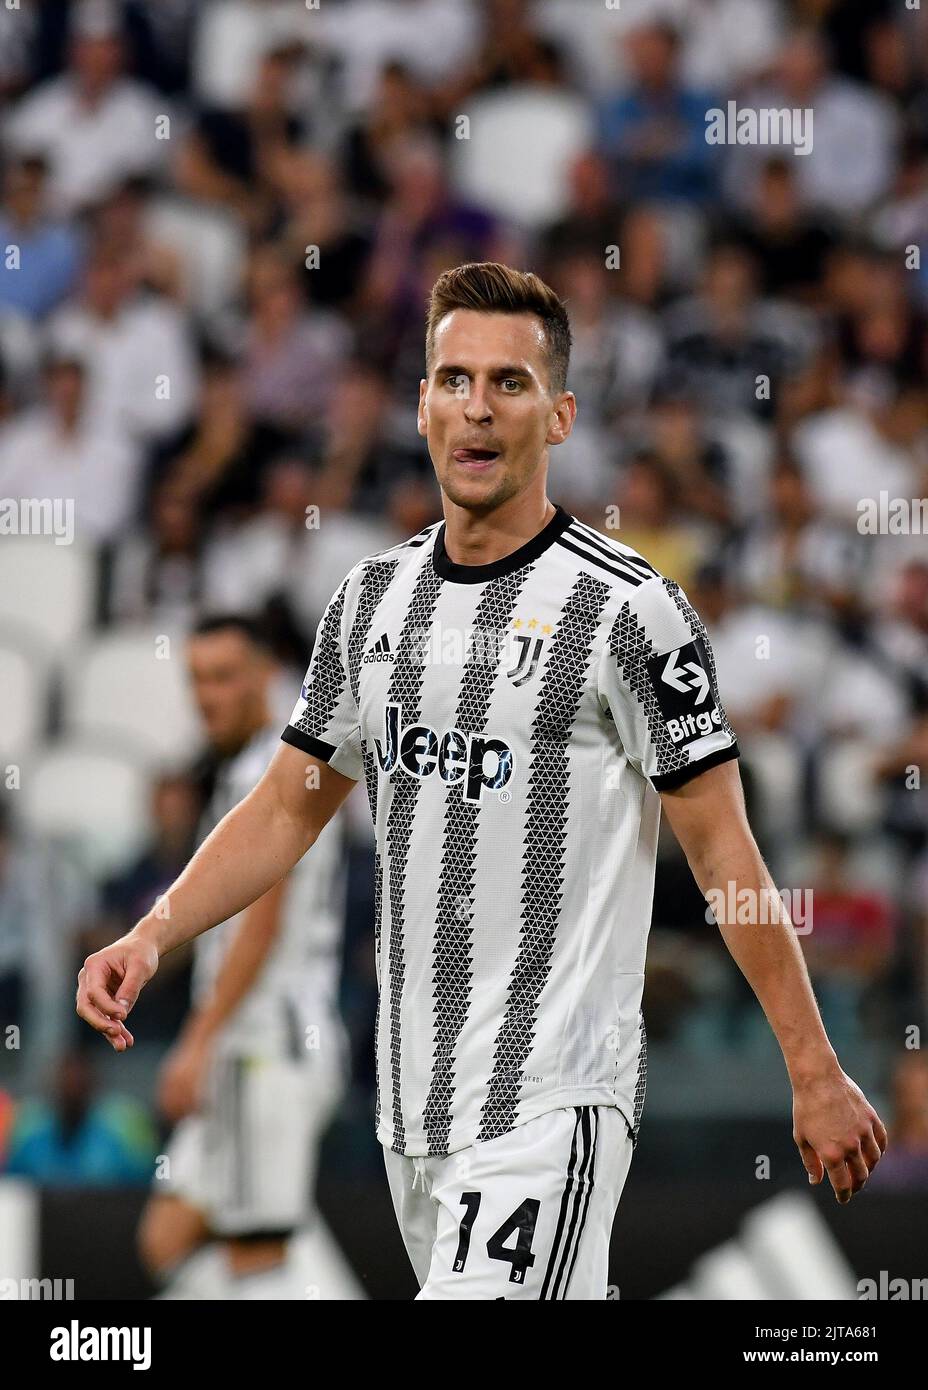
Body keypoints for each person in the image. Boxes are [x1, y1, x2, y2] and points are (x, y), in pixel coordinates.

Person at [77, 262, 887, 1301]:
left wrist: (812, 1069)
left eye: (508, 383)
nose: (476, 405)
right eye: (453, 378)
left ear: (558, 415)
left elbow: (725, 851)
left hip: (554, 1096)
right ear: (420, 404)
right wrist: (153, 933)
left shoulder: (630, 612)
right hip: (412, 1114)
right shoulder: (370, 601)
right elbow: (288, 805)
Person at [135, 615, 349, 1299]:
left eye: (224, 677)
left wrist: (196, 1041)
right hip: (242, 1042)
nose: (206, 696)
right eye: (196, 679)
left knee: (258, 1256)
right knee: (173, 1234)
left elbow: (261, 921)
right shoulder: (245, 768)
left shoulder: (279, 771)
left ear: (264, 675)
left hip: (271, 1044)